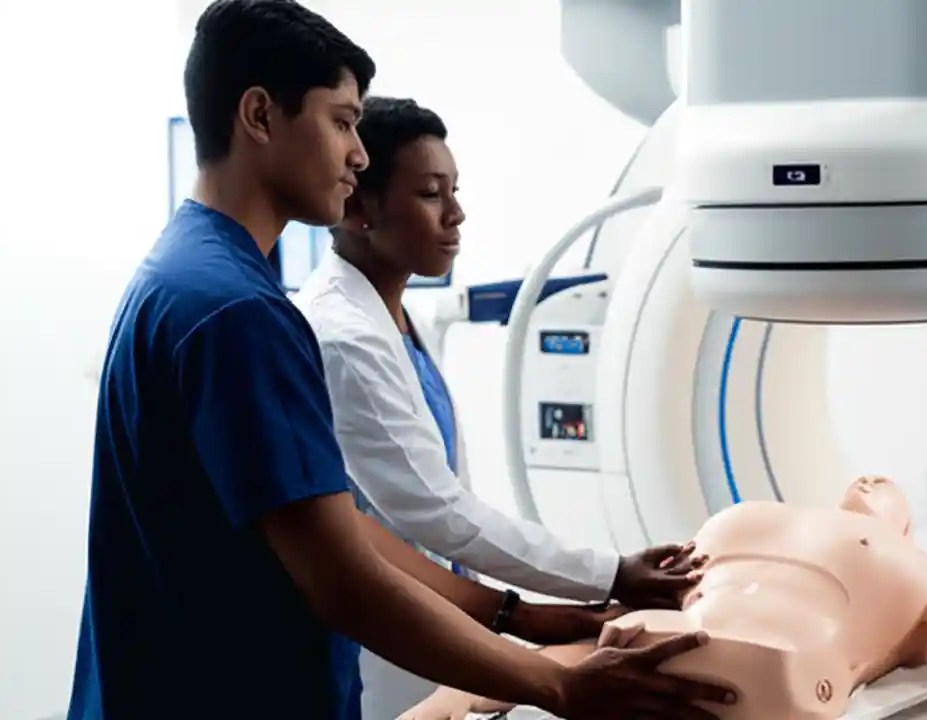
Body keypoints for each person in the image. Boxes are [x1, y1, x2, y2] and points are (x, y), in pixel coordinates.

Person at [65, 2, 734, 718]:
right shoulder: (238, 313)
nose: (357, 154)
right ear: (260, 116)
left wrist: (527, 618)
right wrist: (559, 684)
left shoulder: (183, 277)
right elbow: (345, 581)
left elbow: (339, 530)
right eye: (342, 122)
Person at [291, 97, 706, 716]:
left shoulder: (396, 315)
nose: (456, 214)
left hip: (437, 607)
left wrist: (535, 612)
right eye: (430, 194)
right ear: (358, 209)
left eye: (454, 191)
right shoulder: (342, 338)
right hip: (384, 638)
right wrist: (609, 573)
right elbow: (436, 512)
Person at [403, 475, 927, 720]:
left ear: (907, 524)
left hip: (779, 672)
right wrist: (454, 697)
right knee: (627, 645)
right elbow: (606, 641)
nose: (869, 480)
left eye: (885, 481)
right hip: (658, 651)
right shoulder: (756, 519)